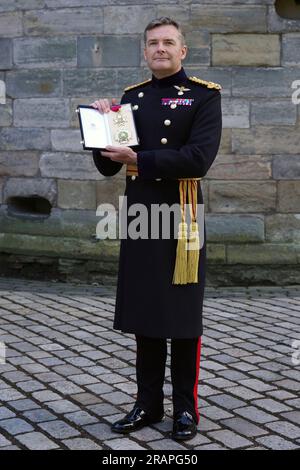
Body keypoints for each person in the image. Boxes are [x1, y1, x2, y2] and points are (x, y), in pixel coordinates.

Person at [91, 17, 222, 441]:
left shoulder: (204, 97)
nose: (160, 49)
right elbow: (110, 165)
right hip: (141, 213)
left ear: (183, 51)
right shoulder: (131, 98)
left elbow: (198, 159)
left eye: (168, 42)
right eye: (153, 43)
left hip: (182, 214)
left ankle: (186, 409)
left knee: (182, 314)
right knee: (146, 312)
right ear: (145, 52)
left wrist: (138, 158)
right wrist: (101, 128)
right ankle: (147, 404)